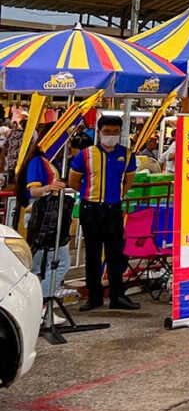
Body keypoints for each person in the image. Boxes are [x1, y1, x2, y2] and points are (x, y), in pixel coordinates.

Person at [68, 114, 140, 311]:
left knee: (116, 254)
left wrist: (116, 197)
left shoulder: (126, 155)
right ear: (98, 132)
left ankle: (118, 296)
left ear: (120, 133)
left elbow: (128, 181)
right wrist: (89, 194)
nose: (111, 135)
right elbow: (73, 181)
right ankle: (94, 296)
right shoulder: (86, 154)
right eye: (107, 132)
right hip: (90, 208)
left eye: (115, 132)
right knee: (92, 253)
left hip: (113, 210)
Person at [17, 142, 74, 299]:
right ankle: (41, 301)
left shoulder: (52, 161)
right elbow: (34, 191)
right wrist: (49, 188)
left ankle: (39, 303)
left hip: (51, 217)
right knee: (57, 262)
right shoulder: (38, 161)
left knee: (43, 265)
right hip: (42, 218)